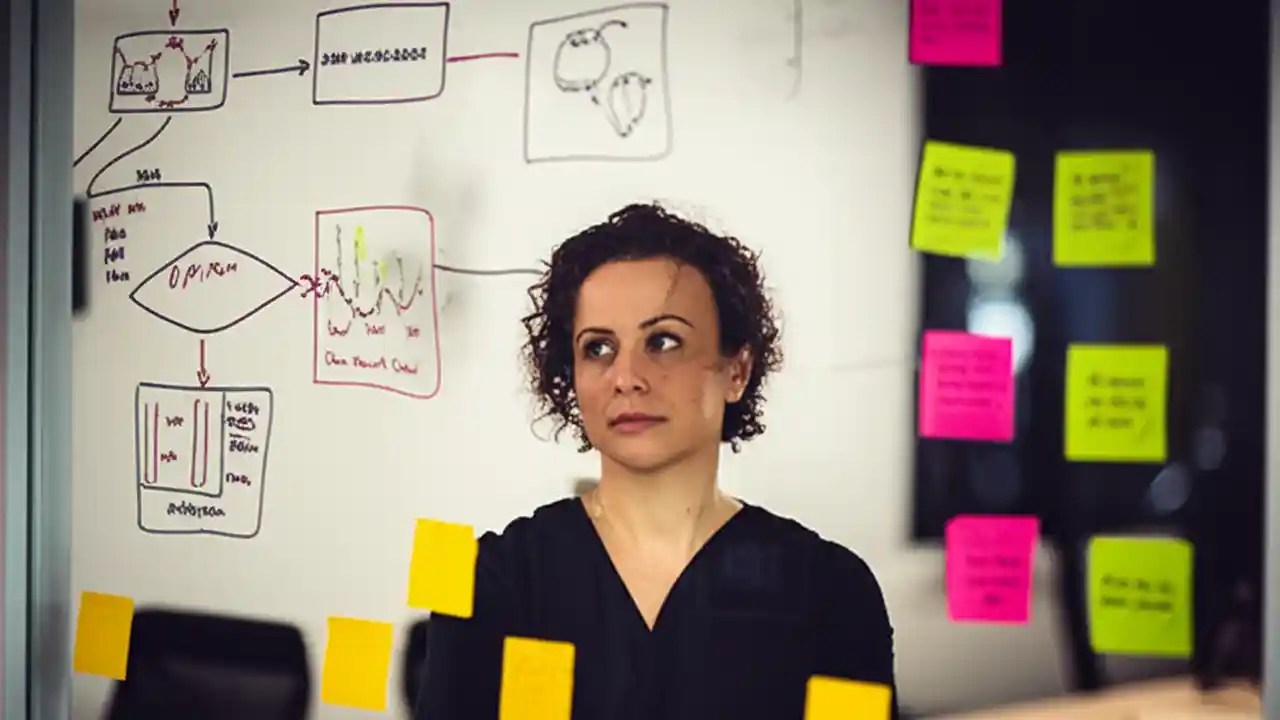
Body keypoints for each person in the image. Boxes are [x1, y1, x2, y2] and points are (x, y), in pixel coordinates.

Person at [415, 202, 899, 719]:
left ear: (736, 371)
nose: (626, 377)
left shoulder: (832, 591)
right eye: (598, 348)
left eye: (663, 341)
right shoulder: (489, 581)